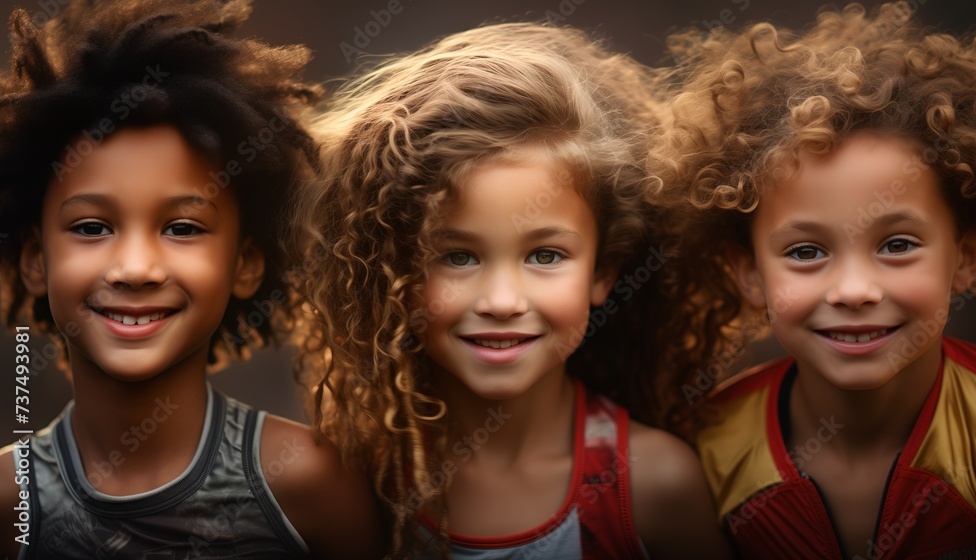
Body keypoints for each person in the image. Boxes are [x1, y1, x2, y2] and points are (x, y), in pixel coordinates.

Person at [291, 22, 733, 559]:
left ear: (603, 273)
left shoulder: (655, 484)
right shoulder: (358, 480)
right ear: (394, 275)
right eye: (457, 256)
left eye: (545, 256)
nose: (502, 302)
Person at [0, 1, 383, 558]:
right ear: (36, 259)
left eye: (182, 227)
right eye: (91, 226)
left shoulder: (313, 486)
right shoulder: (10, 502)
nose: (135, 268)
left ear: (246, 263)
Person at [655, 2, 976, 558]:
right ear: (747, 273)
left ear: (968, 256)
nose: (854, 290)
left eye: (897, 245)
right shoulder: (704, 452)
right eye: (807, 250)